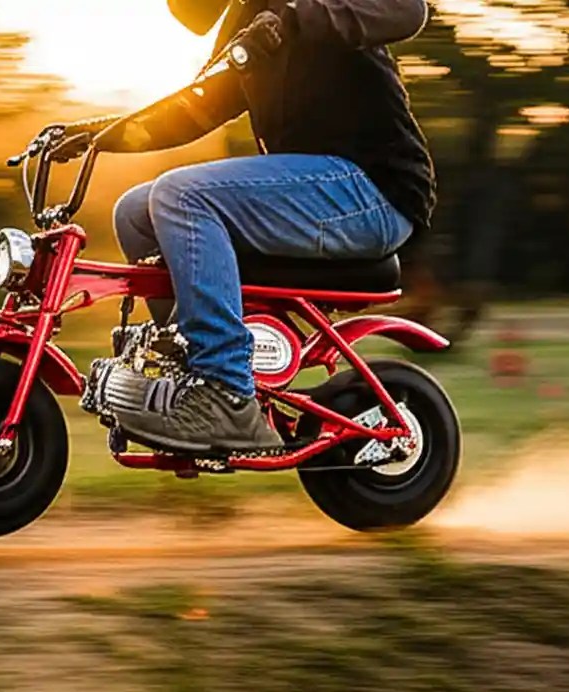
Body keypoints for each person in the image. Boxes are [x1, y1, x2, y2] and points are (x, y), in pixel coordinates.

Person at [112, 0, 436, 454]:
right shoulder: (246, 21)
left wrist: (296, 17)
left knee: (182, 194)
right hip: (318, 193)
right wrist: (101, 135)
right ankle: (186, 368)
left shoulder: (302, 9)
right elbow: (197, 111)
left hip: (372, 191)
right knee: (133, 211)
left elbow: (408, 10)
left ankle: (224, 391)